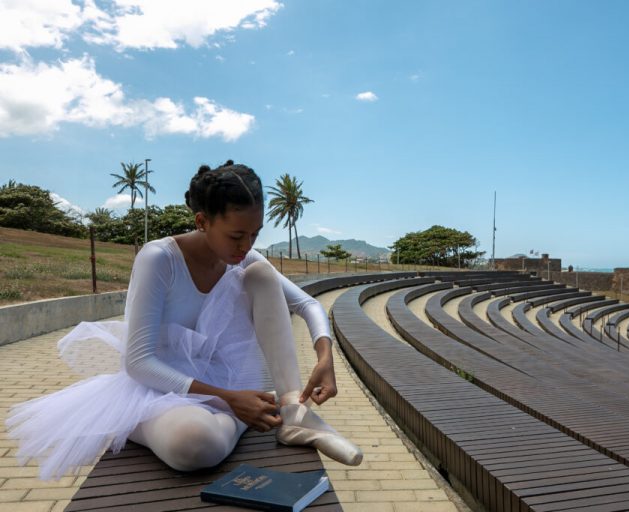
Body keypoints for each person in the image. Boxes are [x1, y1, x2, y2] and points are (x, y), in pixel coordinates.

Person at [6, 160, 362, 480]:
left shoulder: (246, 259)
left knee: (263, 276)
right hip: (160, 387)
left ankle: (291, 410)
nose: (246, 245)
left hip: (224, 378)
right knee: (194, 446)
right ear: (202, 221)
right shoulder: (159, 258)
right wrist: (230, 399)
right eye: (236, 236)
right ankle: (243, 414)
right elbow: (139, 363)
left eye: (254, 234)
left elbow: (307, 305)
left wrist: (325, 358)